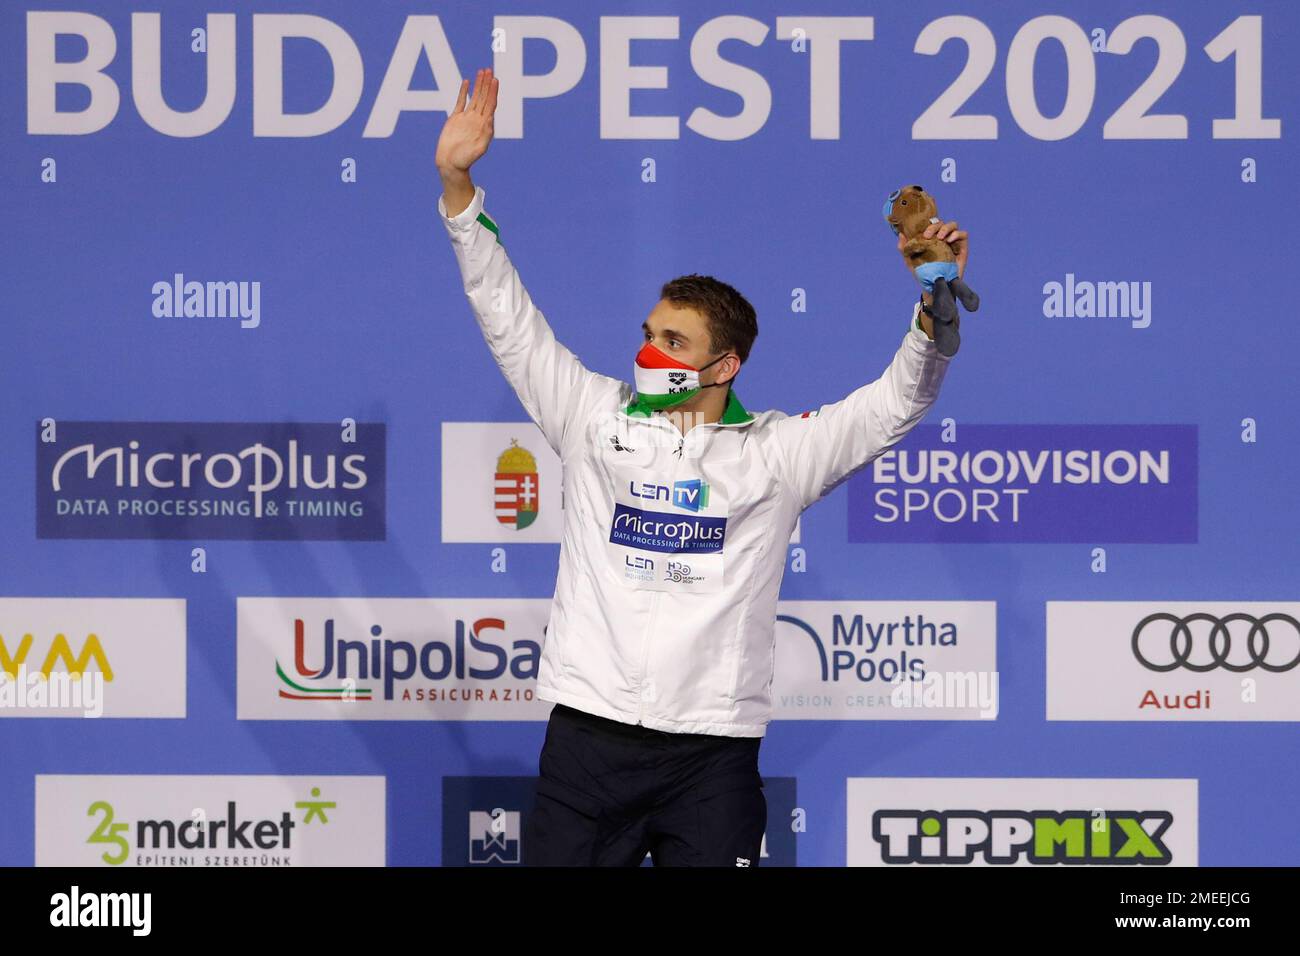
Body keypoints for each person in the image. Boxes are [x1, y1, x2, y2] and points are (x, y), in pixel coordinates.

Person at [435, 68, 968, 866]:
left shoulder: (779, 453)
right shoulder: (594, 417)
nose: (649, 351)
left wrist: (936, 304)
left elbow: (895, 403)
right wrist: (457, 187)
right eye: (649, 333)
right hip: (587, 746)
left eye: (672, 342)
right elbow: (509, 322)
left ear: (725, 366)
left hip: (712, 760)